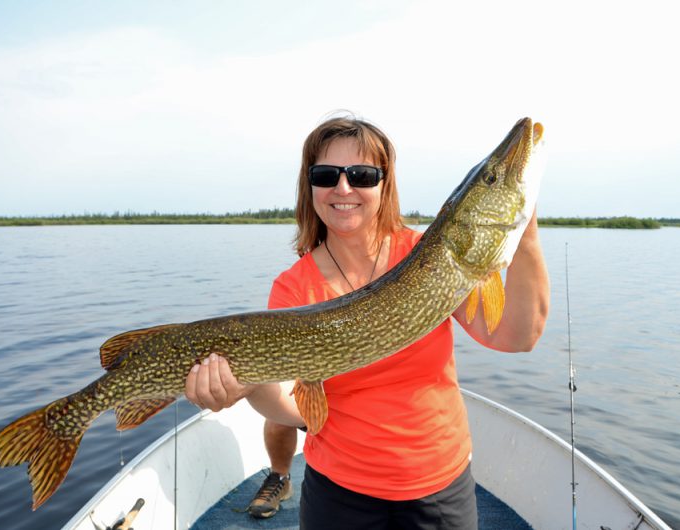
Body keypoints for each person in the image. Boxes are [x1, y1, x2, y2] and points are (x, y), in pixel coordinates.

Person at [185, 114, 549, 529]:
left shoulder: (433, 257)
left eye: (361, 174)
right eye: (326, 175)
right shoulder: (293, 287)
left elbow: (519, 336)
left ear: (384, 183)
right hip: (340, 493)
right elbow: (287, 405)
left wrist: (526, 236)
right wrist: (242, 388)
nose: (343, 188)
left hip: (439, 485)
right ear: (311, 187)